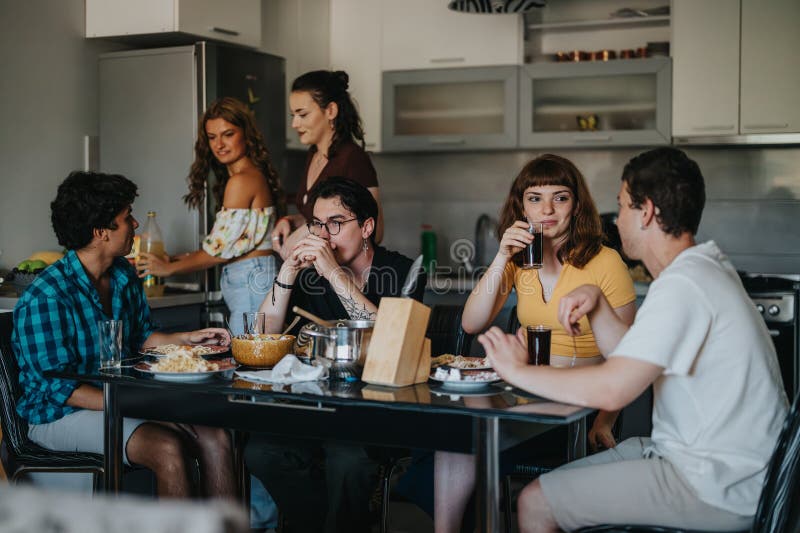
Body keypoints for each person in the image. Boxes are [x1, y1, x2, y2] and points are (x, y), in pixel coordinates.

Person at [481, 147, 789, 532]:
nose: (618, 220)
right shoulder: (699, 269)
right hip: (715, 463)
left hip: (717, 483)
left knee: (535, 502)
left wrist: (516, 370)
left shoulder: (683, 286)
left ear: (646, 213)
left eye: (623, 206)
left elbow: (615, 390)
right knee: (548, 488)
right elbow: (629, 356)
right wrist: (597, 304)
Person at [434, 154, 636, 533]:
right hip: (525, 393)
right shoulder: (519, 259)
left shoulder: (605, 261)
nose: (547, 209)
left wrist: (606, 421)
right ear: (520, 205)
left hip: (581, 401)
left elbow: (629, 357)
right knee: (458, 435)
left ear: (576, 205)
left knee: (476, 437)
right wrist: (500, 257)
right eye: (534, 198)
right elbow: (472, 321)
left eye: (560, 197)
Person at [12, 171, 236, 499]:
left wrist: (189, 338)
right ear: (101, 232)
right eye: (126, 217)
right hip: (57, 415)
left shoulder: (122, 275)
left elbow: (139, 337)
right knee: (166, 447)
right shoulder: (46, 295)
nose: (135, 225)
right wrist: (138, 404)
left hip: (114, 400)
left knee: (216, 435)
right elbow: (59, 388)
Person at [247, 177, 425, 533]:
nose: (323, 235)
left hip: (378, 409)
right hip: (317, 407)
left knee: (348, 460)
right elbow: (262, 337)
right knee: (261, 450)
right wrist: (287, 273)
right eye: (316, 224)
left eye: (336, 223)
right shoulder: (308, 275)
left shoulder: (401, 271)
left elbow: (392, 338)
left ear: (367, 227)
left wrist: (333, 273)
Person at [136, 96, 285, 336]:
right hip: (255, 276)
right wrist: (174, 259)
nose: (219, 144)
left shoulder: (241, 180)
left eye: (228, 134)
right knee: (255, 357)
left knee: (250, 359)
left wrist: (167, 269)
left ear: (245, 134)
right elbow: (230, 245)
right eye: (212, 137)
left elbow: (219, 250)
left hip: (251, 279)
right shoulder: (249, 175)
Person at [271, 70, 384, 259]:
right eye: (293, 115)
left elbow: (376, 232)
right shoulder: (314, 155)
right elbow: (322, 218)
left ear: (331, 111)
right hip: (316, 276)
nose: (295, 124)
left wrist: (309, 230)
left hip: (343, 277)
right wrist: (291, 221)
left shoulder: (353, 159)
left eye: (303, 114)